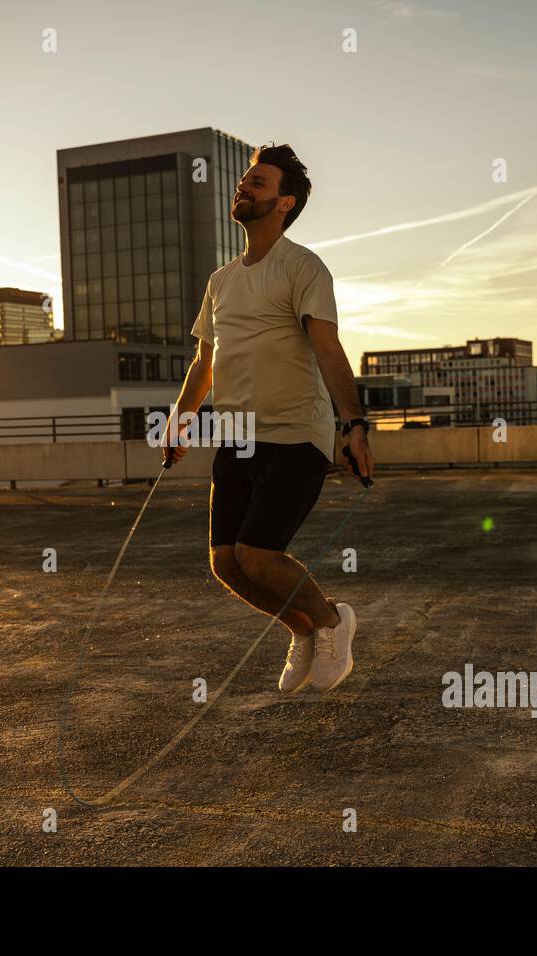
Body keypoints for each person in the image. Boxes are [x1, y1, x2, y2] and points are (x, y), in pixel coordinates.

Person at [163, 142, 374, 693]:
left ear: (285, 203)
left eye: (258, 182)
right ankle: (302, 628)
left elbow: (328, 349)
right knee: (226, 563)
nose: (244, 187)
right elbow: (205, 362)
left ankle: (332, 621)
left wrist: (354, 425)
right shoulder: (221, 281)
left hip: (294, 433)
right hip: (235, 437)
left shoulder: (302, 266)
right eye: (244, 180)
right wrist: (181, 419)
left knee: (258, 555)